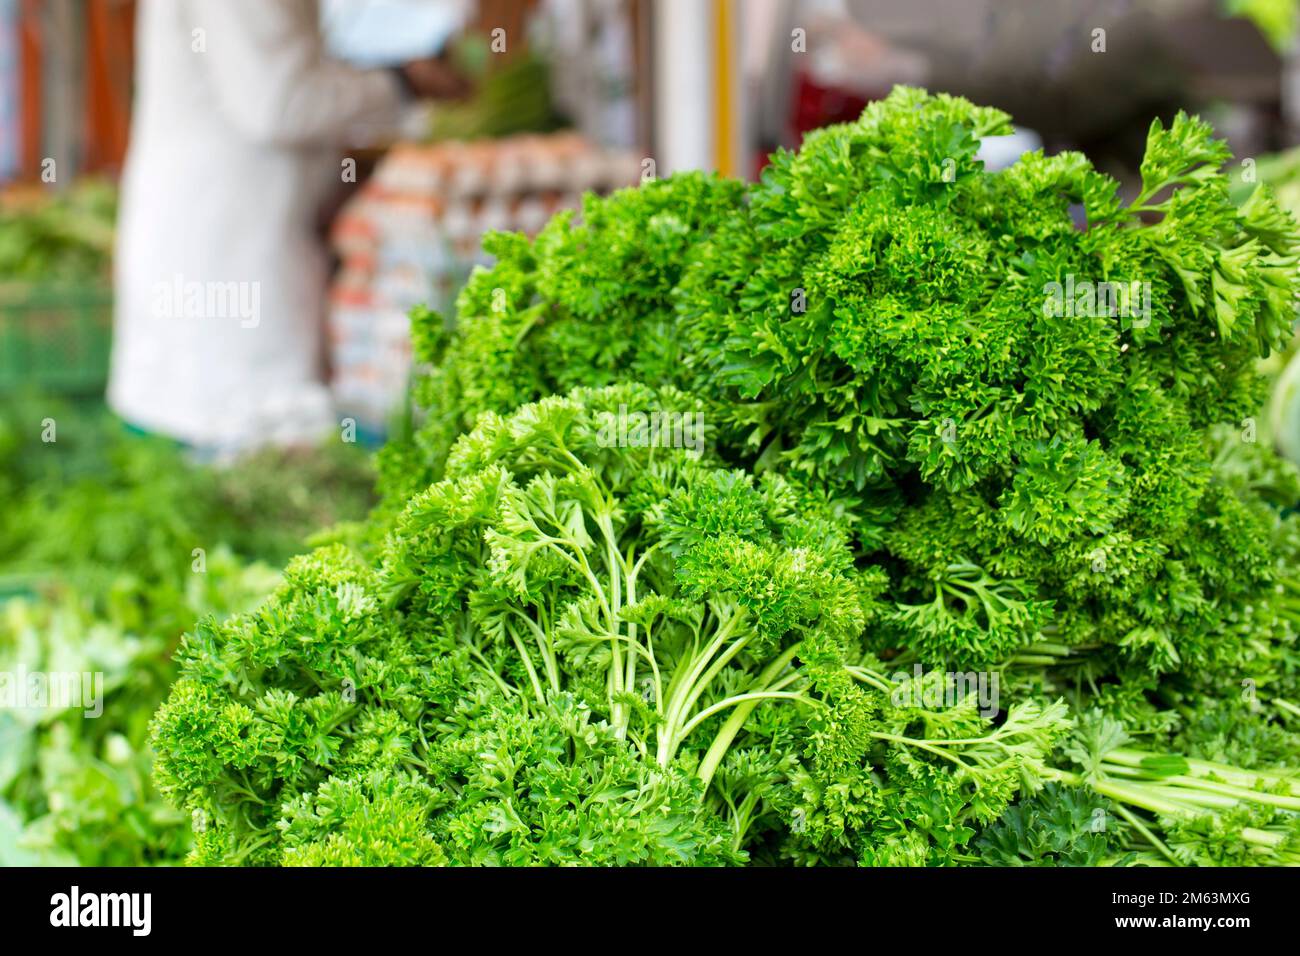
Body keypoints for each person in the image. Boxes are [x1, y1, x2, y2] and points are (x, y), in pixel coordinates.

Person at [109, 0, 468, 453]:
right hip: (225, 255)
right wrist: (402, 83)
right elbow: (278, 102)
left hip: (237, 240)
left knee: (247, 435)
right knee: (244, 442)